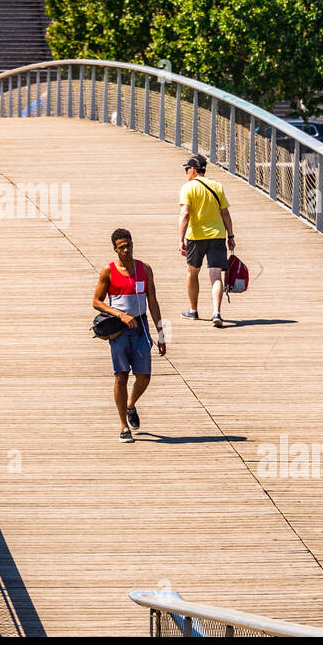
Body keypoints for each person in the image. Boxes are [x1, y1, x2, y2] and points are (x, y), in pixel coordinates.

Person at [93, 228, 165, 443]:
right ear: (114, 249)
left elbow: (152, 301)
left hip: (141, 325)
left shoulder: (144, 269)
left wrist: (161, 333)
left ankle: (130, 404)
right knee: (121, 375)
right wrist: (120, 315)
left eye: (129, 245)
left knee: (144, 377)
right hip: (119, 329)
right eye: (121, 247)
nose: (126, 250)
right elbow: (96, 301)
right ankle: (124, 426)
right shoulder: (109, 271)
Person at [178, 154, 235, 328]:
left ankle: (193, 310)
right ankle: (216, 312)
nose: (186, 172)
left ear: (193, 170)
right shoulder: (217, 186)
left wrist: (180, 239)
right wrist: (231, 236)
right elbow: (225, 213)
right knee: (216, 276)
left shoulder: (188, 188)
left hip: (196, 237)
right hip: (217, 236)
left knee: (192, 272)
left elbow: (185, 214)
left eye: (187, 169)